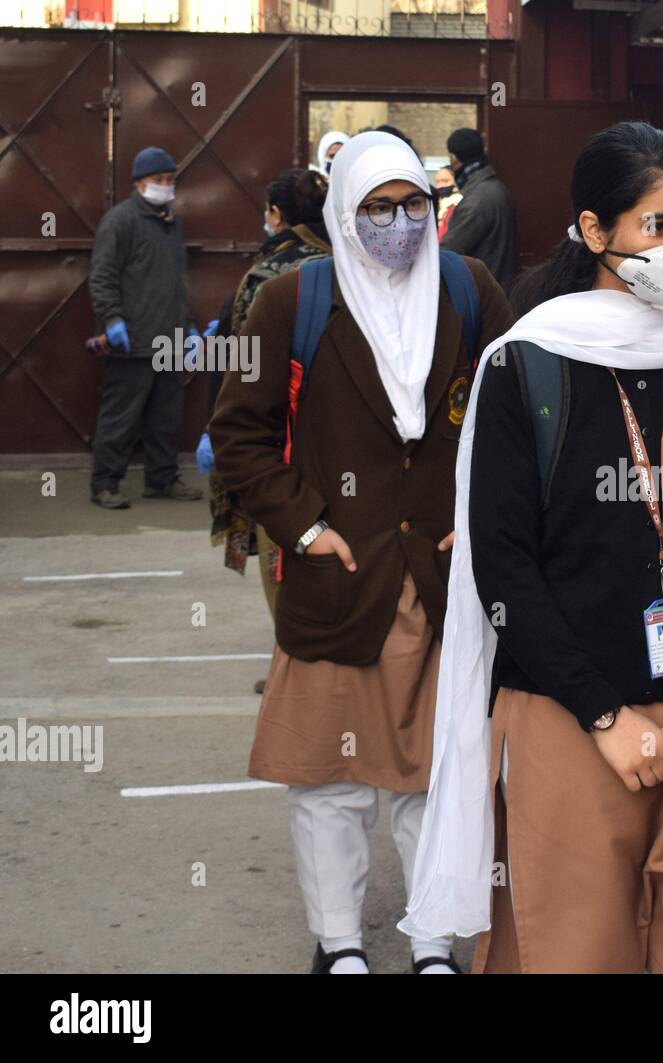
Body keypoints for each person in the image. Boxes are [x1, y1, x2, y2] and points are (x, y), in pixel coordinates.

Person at [399, 121, 663, 973]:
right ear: (593, 230)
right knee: (570, 948)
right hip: (567, 719)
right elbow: (502, 563)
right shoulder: (526, 365)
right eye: (660, 226)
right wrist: (605, 717)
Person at [209, 131, 514, 975]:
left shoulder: (468, 289)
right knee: (331, 782)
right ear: (345, 212)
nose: (399, 223)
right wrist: (305, 527)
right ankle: (339, 940)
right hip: (339, 578)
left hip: (443, 578)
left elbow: (522, 411)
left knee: (435, 773)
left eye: (414, 203)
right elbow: (237, 433)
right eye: (377, 208)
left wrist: (487, 513)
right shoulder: (291, 302)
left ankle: (431, 940)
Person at [200, 169, 332, 694]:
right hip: (338, 437)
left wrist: (221, 427)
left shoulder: (269, 274)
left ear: (276, 215)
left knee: (283, 546)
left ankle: (292, 661)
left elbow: (244, 366)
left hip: (279, 437)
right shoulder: (342, 262)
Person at [87, 146, 204, 509]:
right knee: (120, 417)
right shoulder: (120, 221)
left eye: (170, 180)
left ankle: (162, 479)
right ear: (139, 183)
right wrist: (113, 319)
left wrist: (187, 327)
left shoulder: (171, 223)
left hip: (168, 340)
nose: (166, 186)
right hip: (134, 341)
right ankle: (105, 484)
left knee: (165, 418)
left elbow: (175, 282)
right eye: (158, 180)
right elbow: (102, 276)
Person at [441, 127, 517, 288]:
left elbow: (448, 252)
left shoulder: (476, 199)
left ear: (455, 159)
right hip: (497, 284)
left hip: (482, 289)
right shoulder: (495, 187)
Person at [432, 166, 462, 240]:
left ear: (456, 181)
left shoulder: (459, 204)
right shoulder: (434, 205)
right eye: (437, 182)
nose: (440, 185)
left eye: (445, 181)